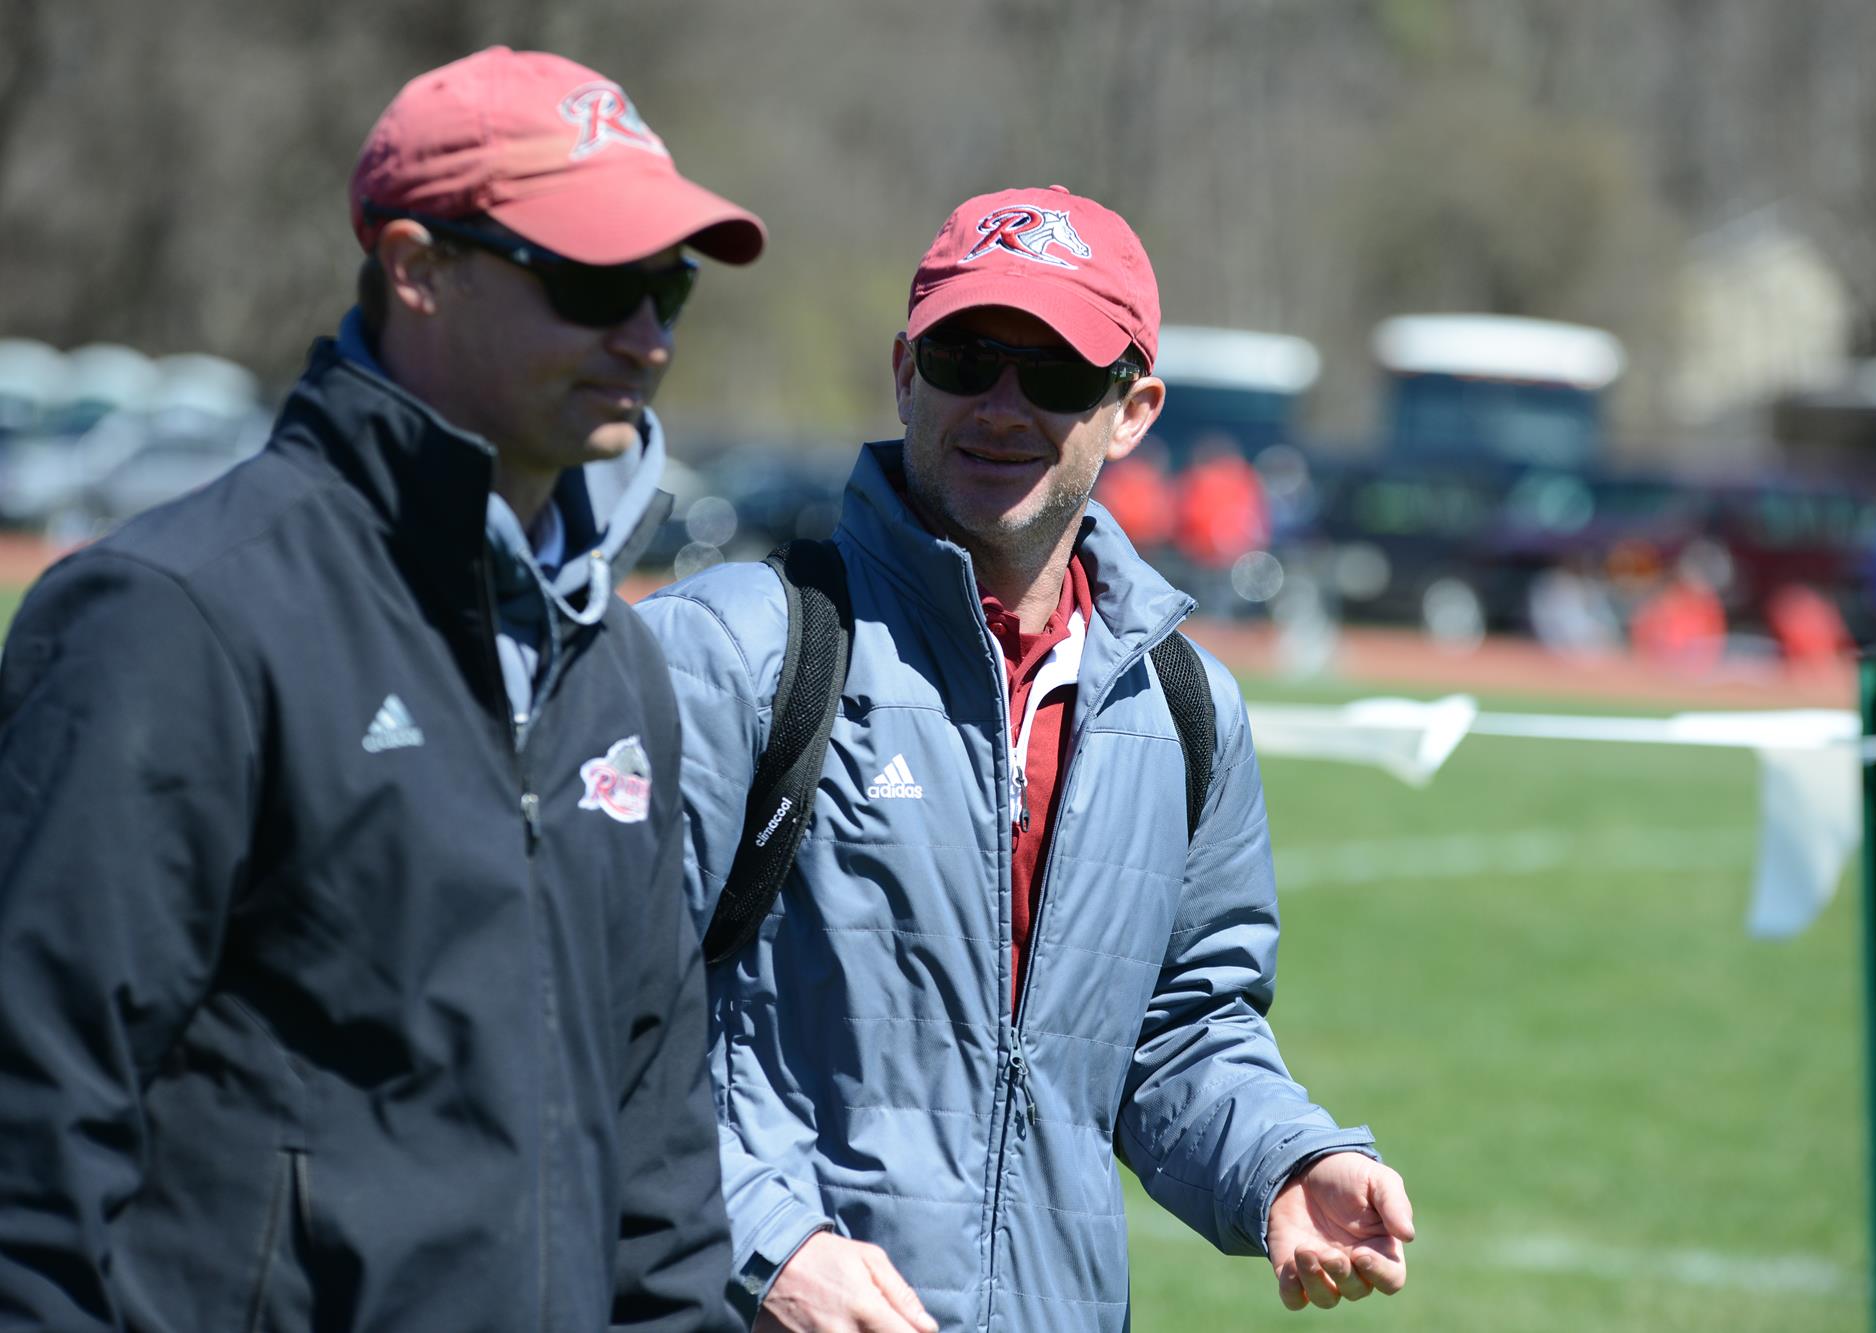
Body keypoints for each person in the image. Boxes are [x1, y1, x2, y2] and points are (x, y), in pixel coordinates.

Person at [0, 47, 762, 1330]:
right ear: (416, 267)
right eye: (591, 280)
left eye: (666, 285)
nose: (644, 334)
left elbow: (661, 1185)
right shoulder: (172, 616)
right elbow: (29, 1157)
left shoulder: (619, 664)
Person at [638, 186, 1413, 1331]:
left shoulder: (1184, 706)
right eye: (966, 355)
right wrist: (761, 1240)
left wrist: (1278, 1161)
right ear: (905, 370)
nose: (1000, 405)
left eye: (1053, 373)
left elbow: (1181, 1028)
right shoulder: (734, 647)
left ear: (1132, 409)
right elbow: (591, 1003)